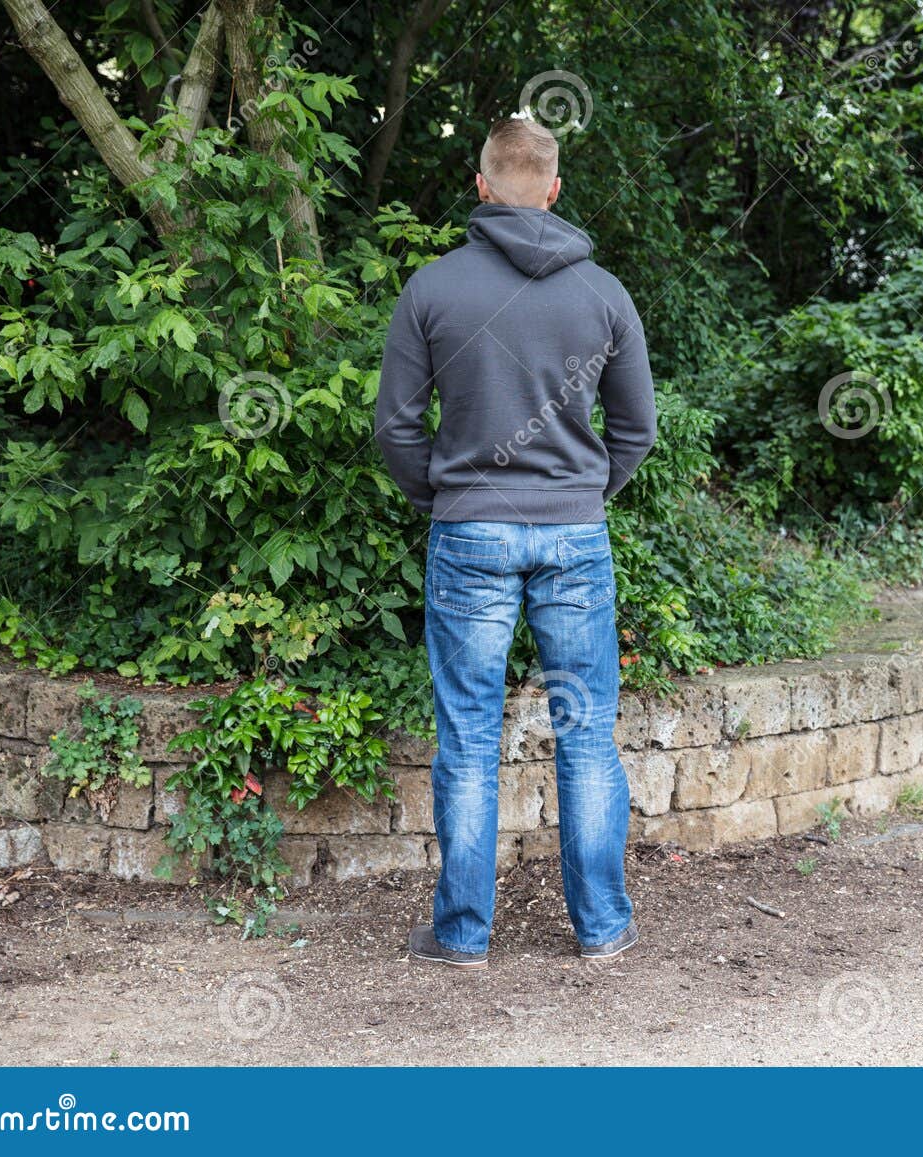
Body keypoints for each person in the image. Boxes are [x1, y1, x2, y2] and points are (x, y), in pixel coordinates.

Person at [375, 117, 657, 969]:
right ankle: (602, 927)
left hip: (469, 533)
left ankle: (462, 936)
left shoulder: (431, 288)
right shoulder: (604, 293)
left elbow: (394, 430)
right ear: (556, 190)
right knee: (586, 732)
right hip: (575, 533)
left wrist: (455, 497)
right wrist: (578, 496)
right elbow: (637, 430)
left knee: (467, 734)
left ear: (483, 184)